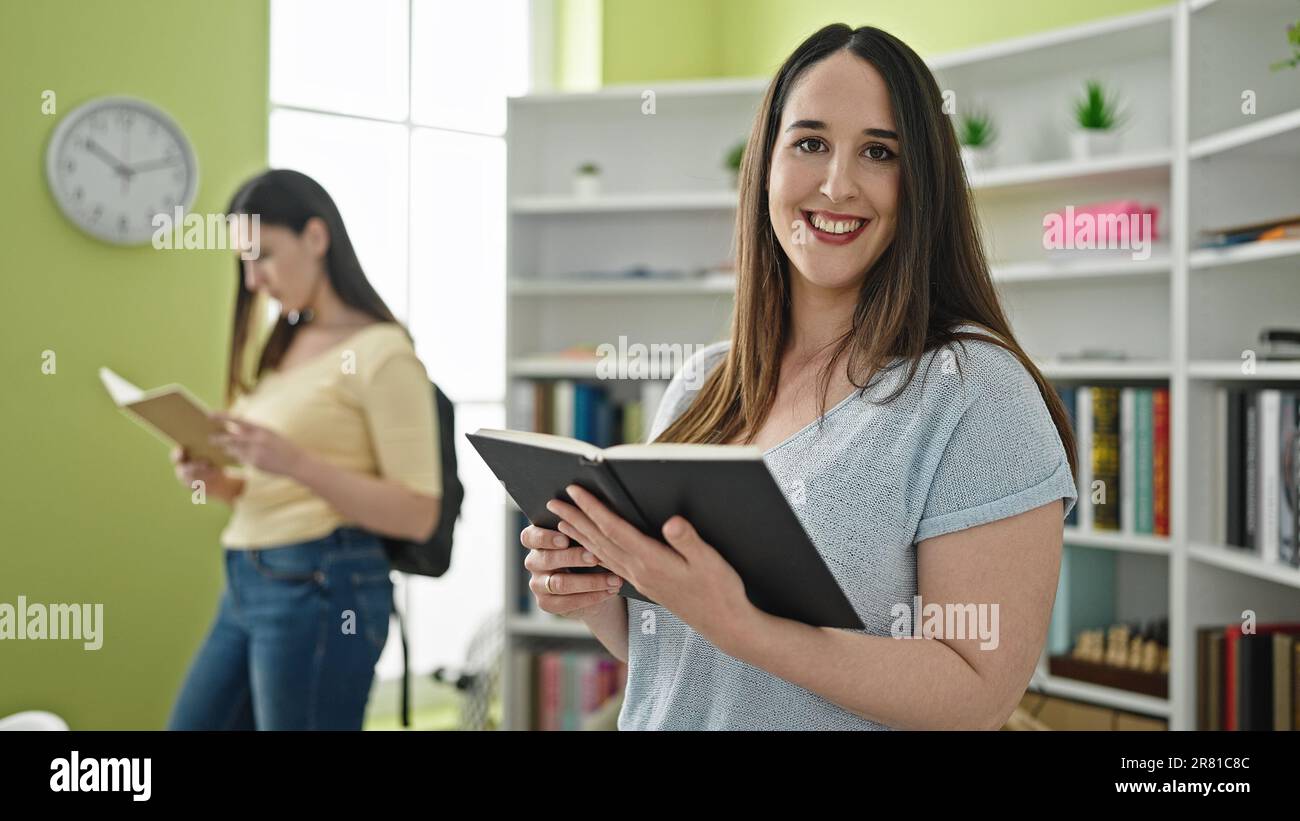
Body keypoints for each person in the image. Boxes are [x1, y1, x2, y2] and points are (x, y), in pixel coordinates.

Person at [519, 24, 1079, 730]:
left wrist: (746, 625)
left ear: (922, 185)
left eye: (879, 152)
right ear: (767, 165)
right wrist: (594, 587)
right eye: (810, 143)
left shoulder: (976, 392)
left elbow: (977, 695)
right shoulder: (702, 386)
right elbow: (675, 657)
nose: (837, 184)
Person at [167, 169, 441, 730]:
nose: (252, 281)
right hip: (247, 579)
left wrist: (293, 461)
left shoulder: (383, 354)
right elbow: (274, 488)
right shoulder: (287, 346)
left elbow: (419, 512)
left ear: (316, 238)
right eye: (243, 262)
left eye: (263, 255)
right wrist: (217, 483)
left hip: (322, 589)